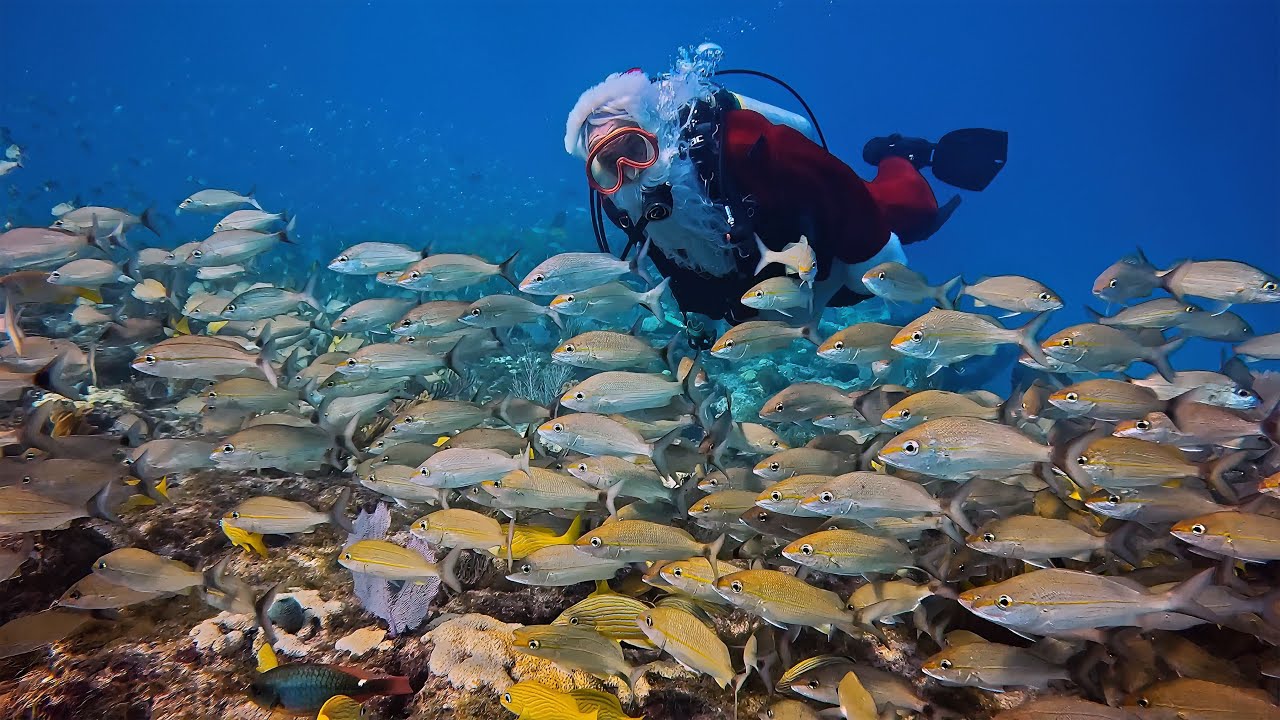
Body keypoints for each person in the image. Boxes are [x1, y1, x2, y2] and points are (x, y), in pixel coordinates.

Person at [565, 45, 1007, 340]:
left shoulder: (742, 144)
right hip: (768, 277)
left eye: (636, 151)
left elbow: (836, 186)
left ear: (658, 134)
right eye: (608, 167)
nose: (629, 173)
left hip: (824, 232)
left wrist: (871, 261)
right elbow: (665, 260)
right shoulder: (620, 202)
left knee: (911, 214)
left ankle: (900, 155)